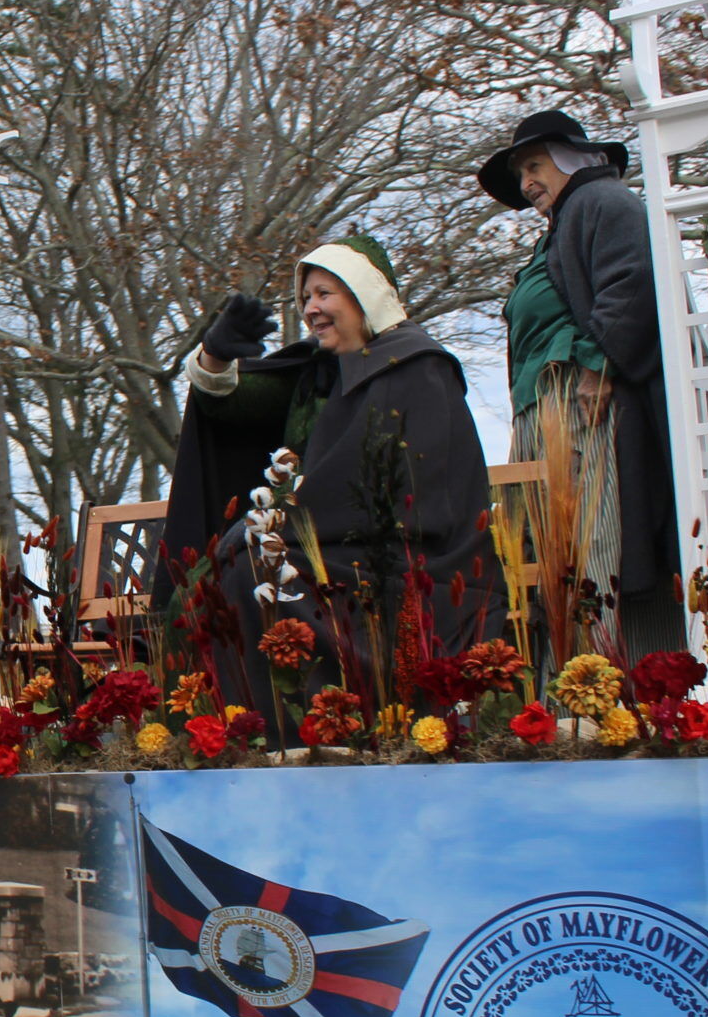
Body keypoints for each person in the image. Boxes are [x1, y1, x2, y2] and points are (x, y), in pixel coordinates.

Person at [157, 234, 499, 703]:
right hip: (330, 542)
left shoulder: (417, 368)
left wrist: (277, 525)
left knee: (251, 573)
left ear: (363, 294)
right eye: (304, 298)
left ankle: (303, 728)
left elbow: (408, 494)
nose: (310, 308)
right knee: (212, 584)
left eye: (324, 294)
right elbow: (230, 406)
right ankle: (228, 733)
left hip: (406, 559)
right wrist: (215, 353)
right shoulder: (319, 374)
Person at [479, 111, 682, 653]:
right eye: (521, 173)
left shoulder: (603, 200)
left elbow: (634, 278)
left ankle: (598, 673)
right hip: (544, 407)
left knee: (590, 542)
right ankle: (569, 678)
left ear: (572, 159)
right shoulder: (566, 221)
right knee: (551, 551)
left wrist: (597, 362)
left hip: (576, 404)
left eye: (535, 166)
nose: (526, 184)